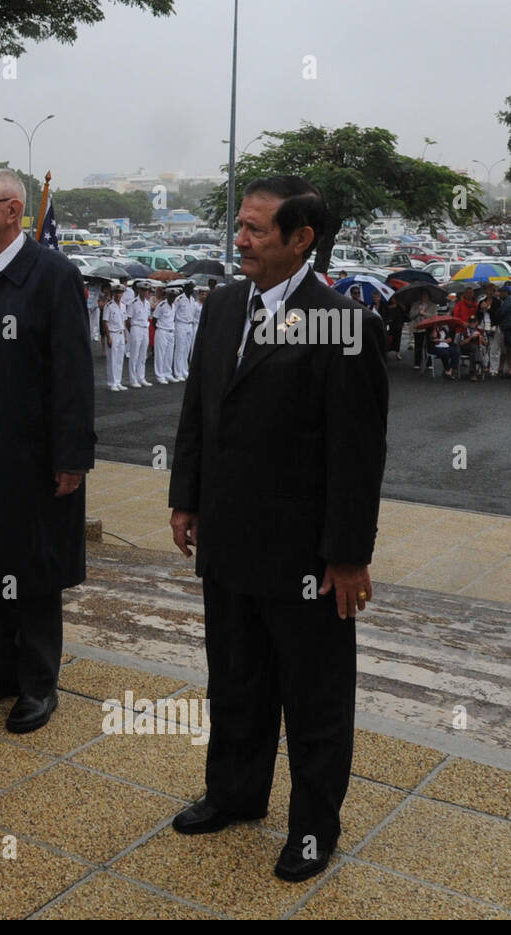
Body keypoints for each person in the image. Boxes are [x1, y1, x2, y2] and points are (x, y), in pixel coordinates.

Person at [168, 176, 388, 883]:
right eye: (240, 226)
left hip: (305, 556)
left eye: (257, 230)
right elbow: (201, 407)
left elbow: (357, 454)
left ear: (302, 240)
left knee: (315, 697)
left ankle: (314, 828)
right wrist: (187, 496)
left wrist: (348, 557)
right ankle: (234, 793)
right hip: (228, 541)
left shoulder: (341, 323)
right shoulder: (224, 304)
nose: (241, 241)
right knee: (235, 679)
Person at [0, 167, 95, 733]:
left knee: (33, 570)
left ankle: (38, 684)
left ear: (14, 210)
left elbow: (74, 375)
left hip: (34, 457)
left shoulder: (53, 275)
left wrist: (72, 457)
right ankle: (0, 672)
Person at [102, 282, 128, 391]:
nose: (118, 295)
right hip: (112, 334)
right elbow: (105, 322)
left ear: (122, 294)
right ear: (113, 293)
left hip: (121, 334)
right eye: (116, 293)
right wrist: (108, 337)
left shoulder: (123, 306)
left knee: (119, 359)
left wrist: (126, 335)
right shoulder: (108, 306)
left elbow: (124, 321)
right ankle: (112, 382)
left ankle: (118, 381)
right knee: (112, 359)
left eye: (120, 293)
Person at [126, 282, 152, 388]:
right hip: (136, 328)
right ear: (139, 291)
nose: (145, 292)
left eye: (146, 290)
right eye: (143, 290)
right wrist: (132, 330)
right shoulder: (133, 303)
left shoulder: (147, 303)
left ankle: (141, 377)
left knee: (143, 355)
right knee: (134, 355)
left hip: (145, 328)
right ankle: (133, 379)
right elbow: (128, 320)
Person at [151, 285, 177, 384]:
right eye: (171, 296)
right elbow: (154, 320)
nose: (172, 298)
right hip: (162, 331)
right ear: (167, 296)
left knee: (169, 354)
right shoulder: (161, 305)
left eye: (174, 296)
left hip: (171, 331)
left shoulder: (174, 306)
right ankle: (159, 375)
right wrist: (160, 329)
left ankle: (168, 373)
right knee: (160, 354)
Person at [172, 281, 195, 380]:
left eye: (192, 288)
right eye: (189, 288)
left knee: (187, 349)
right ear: (185, 288)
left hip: (190, 325)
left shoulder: (193, 299)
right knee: (180, 349)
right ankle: (178, 372)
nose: (191, 290)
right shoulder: (179, 299)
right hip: (180, 324)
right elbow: (173, 312)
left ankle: (184, 370)